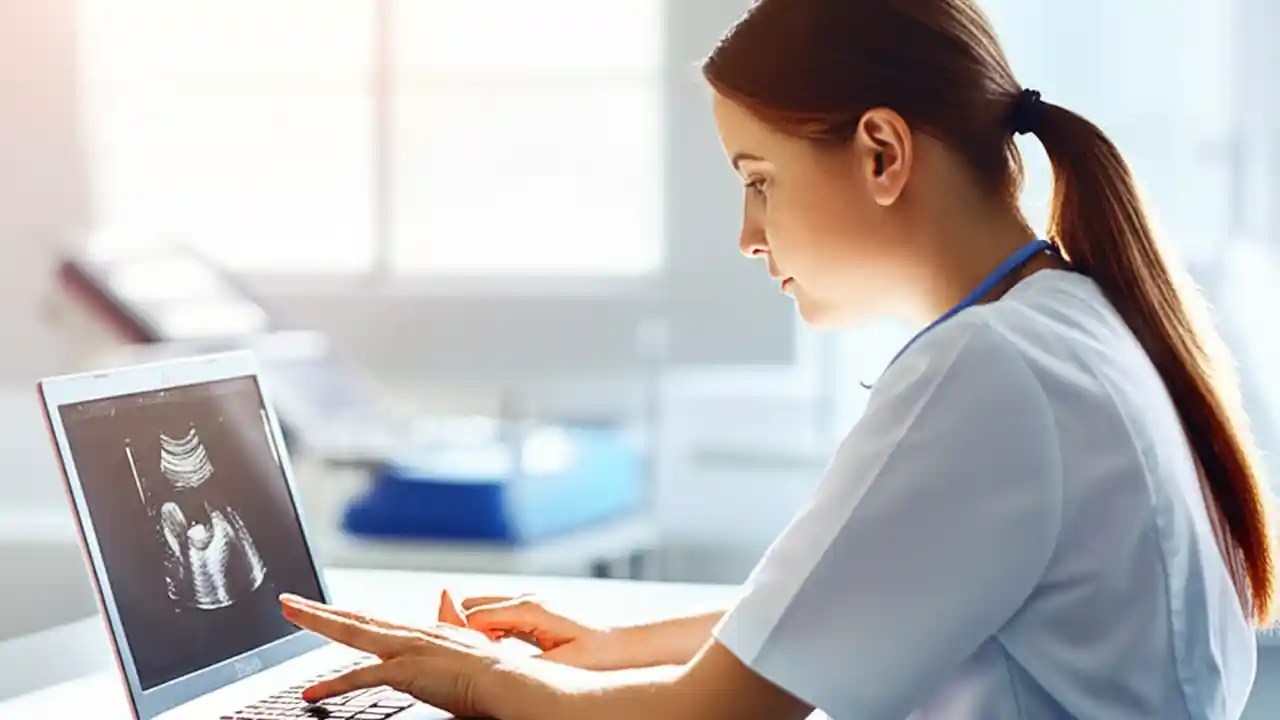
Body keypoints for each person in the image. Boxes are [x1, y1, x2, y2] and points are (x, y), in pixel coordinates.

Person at [278, 0, 1275, 717]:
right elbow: (865, 593)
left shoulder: (986, 370)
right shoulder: (1069, 319)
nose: (746, 237)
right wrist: (610, 648)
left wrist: (468, 677)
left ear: (882, 152)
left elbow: (704, 718)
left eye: (759, 180)